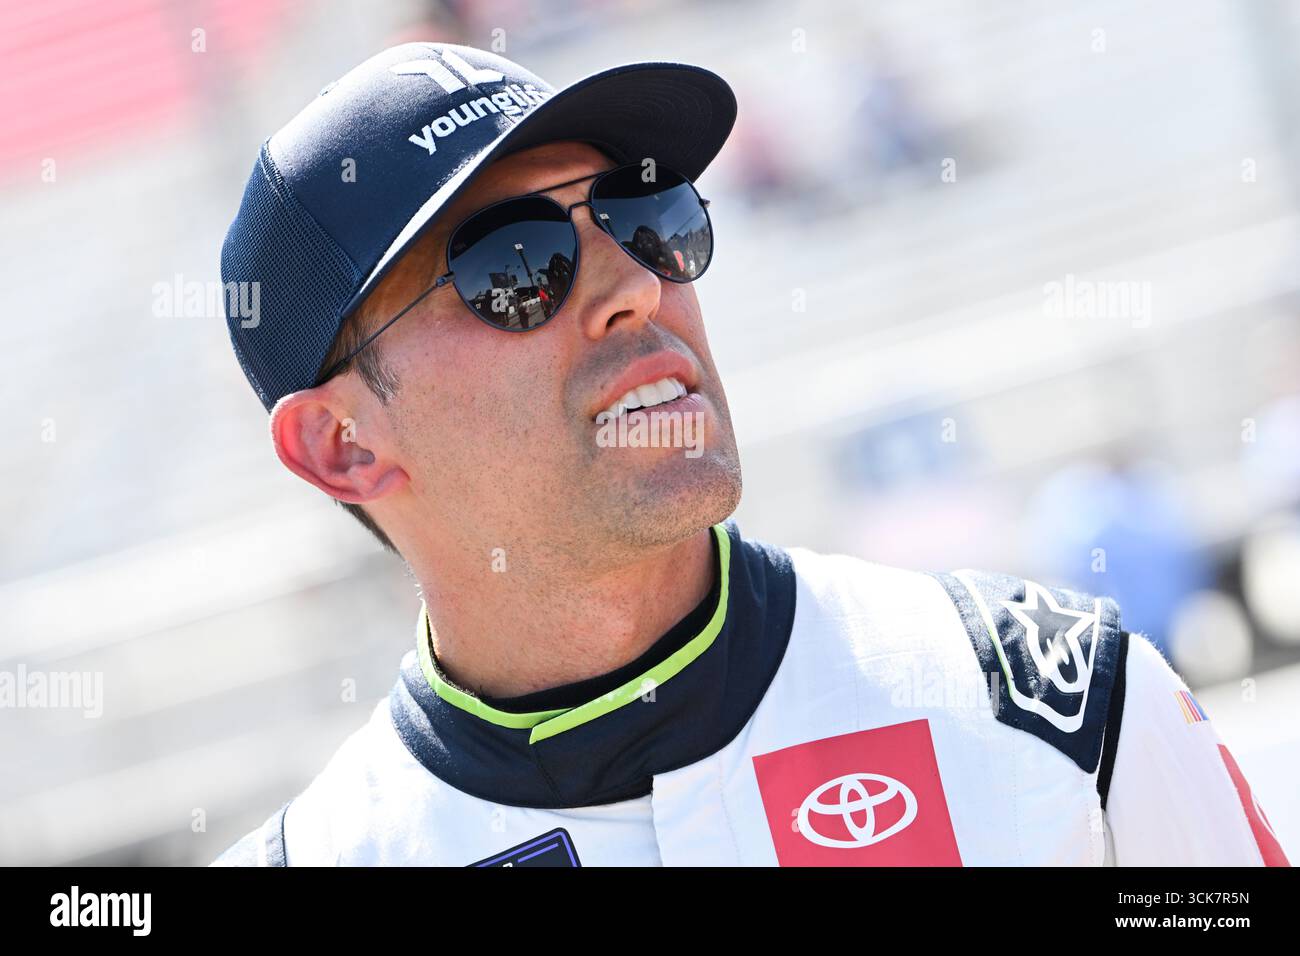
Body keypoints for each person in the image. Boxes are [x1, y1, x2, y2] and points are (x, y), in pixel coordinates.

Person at [212, 42, 1288, 866]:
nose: (635, 285)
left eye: (647, 215)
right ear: (344, 445)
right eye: (515, 262)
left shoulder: (1064, 712)